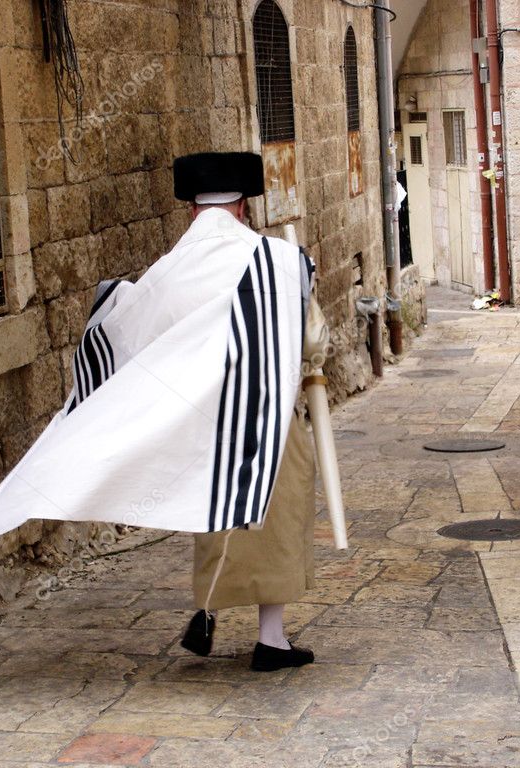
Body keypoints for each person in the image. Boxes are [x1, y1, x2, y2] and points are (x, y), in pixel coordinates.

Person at [171, 152, 330, 672]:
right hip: (272, 416)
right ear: (243, 205)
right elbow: (314, 341)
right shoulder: (280, 262)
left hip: (210, 418)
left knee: (220, 518)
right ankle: (271, 638)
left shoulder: (172, 271)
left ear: (192, 211)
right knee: (275, 519)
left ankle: (208, 611)